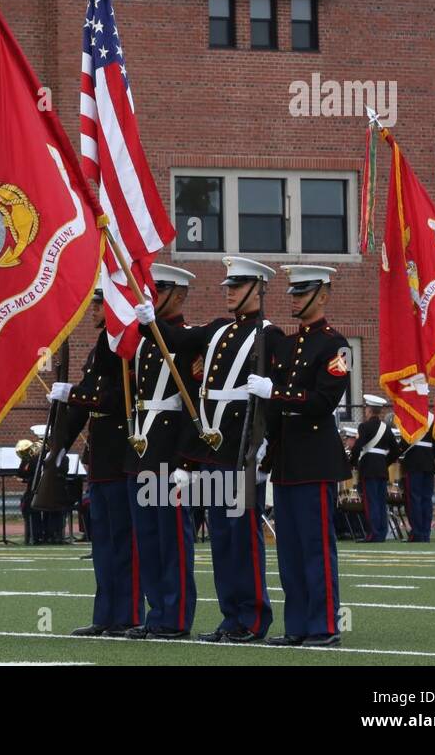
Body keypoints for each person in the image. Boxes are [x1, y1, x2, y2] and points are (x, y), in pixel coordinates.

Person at [147, 258, 282, 643]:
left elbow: (271, 401)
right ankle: (231, 618)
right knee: (222, 538)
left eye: (237, 286)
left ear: (257, 289)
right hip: (213, 448)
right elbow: (178, 342)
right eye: (228, 285)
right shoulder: (219, 329)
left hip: (241, 449)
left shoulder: (270, 336)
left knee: (243, 538)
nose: (228, 290)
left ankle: (253, 619)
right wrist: (146, 319)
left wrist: (263, 449)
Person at [252, 265, 352, 647]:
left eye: (301, 292)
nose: (293, 298)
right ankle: (297, 625)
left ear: (322, 296)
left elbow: (324, 401)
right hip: (287, 459)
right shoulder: (290, 345)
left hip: (315, 458)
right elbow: (278, 409)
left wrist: (273, 393)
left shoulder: (335, 345)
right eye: (292, 292)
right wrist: (264, 451)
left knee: (315, 547)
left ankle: (324, 625)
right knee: (290, 550)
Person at [49, 287, 143, 636]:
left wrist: (73, 393)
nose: (93, 310)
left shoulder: (127, 350)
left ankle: (129, 614)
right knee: (102, 544)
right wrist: (59, 446)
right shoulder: (97, 352)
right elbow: (81, 409)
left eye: (100, 304)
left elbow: (118, 399)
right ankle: (104, 615)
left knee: (124, 541)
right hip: (100, 461)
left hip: (122, 456)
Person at [126, 266, 198, 640]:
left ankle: (177, 616)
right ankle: (157, 613)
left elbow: (192, 404)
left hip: (170, 454)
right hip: (144, 448)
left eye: (162, 290)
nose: (154, 295)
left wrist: (185, 460)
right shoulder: (142, 342)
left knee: (173, 538)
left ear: (180, 296)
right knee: (149, 539)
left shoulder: (186, 340)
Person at [348, 395, 399, 543]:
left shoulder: (364, 427)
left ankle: (373, 534)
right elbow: (395, 451)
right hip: (381, 469)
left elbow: (357, 447)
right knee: (381, 502)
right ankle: (381, 532)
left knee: (371, 502)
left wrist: (352, 462)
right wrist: (385, 462)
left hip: (368, 468)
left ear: (369, 410)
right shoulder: (387, 429)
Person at [399, 421, 435, 542]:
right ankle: (426, 532)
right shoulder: (432, 420)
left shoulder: (412, 419)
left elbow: (404, 443)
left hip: (413, 463)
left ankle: (417, 532)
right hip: (429, 463)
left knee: (414, 499)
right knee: (426, 499)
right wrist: (429, 455)